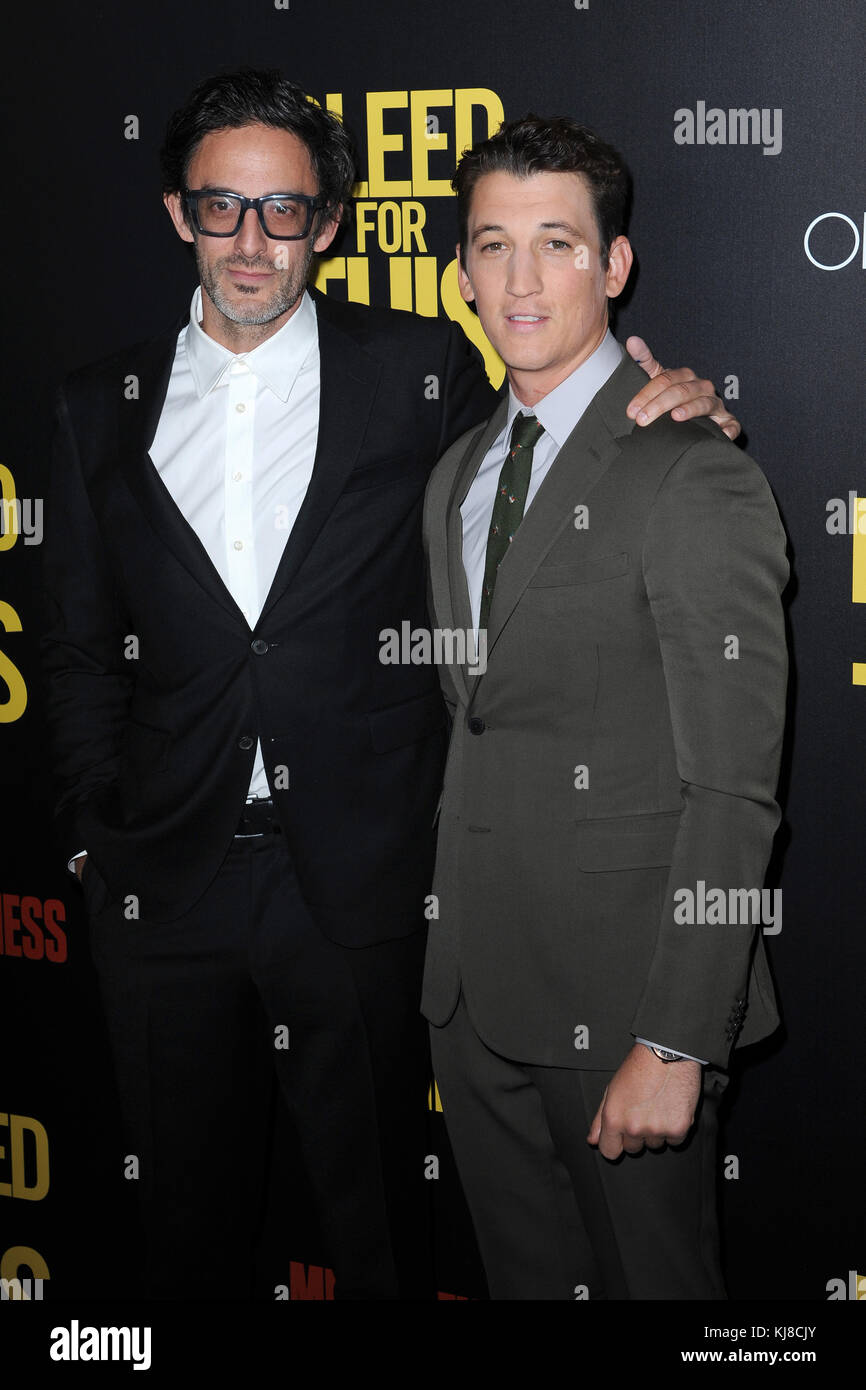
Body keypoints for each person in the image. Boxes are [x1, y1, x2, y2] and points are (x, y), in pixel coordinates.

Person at [40, 70, 741, 1300]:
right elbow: (80, 644)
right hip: (164, 892)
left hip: (365, 888)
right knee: (177, 1242)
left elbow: (563, 438)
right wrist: (96, 839)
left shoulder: (419, 369)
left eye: (283, 211)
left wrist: (669, 398)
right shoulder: (99, 404)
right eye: (221, 208)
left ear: (328, 222)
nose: (252, 243)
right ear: (175, 215)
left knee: (384, 1237)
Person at [421, 115, 788, 1300]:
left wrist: (677, 1039)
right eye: (492, 246)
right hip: (472, 1004)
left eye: (556, 244)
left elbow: (732, 791)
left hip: (626, 1012)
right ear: (460, 272)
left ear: (614, 265)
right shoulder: (457, 474)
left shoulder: (693, 467)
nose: (520, 281)